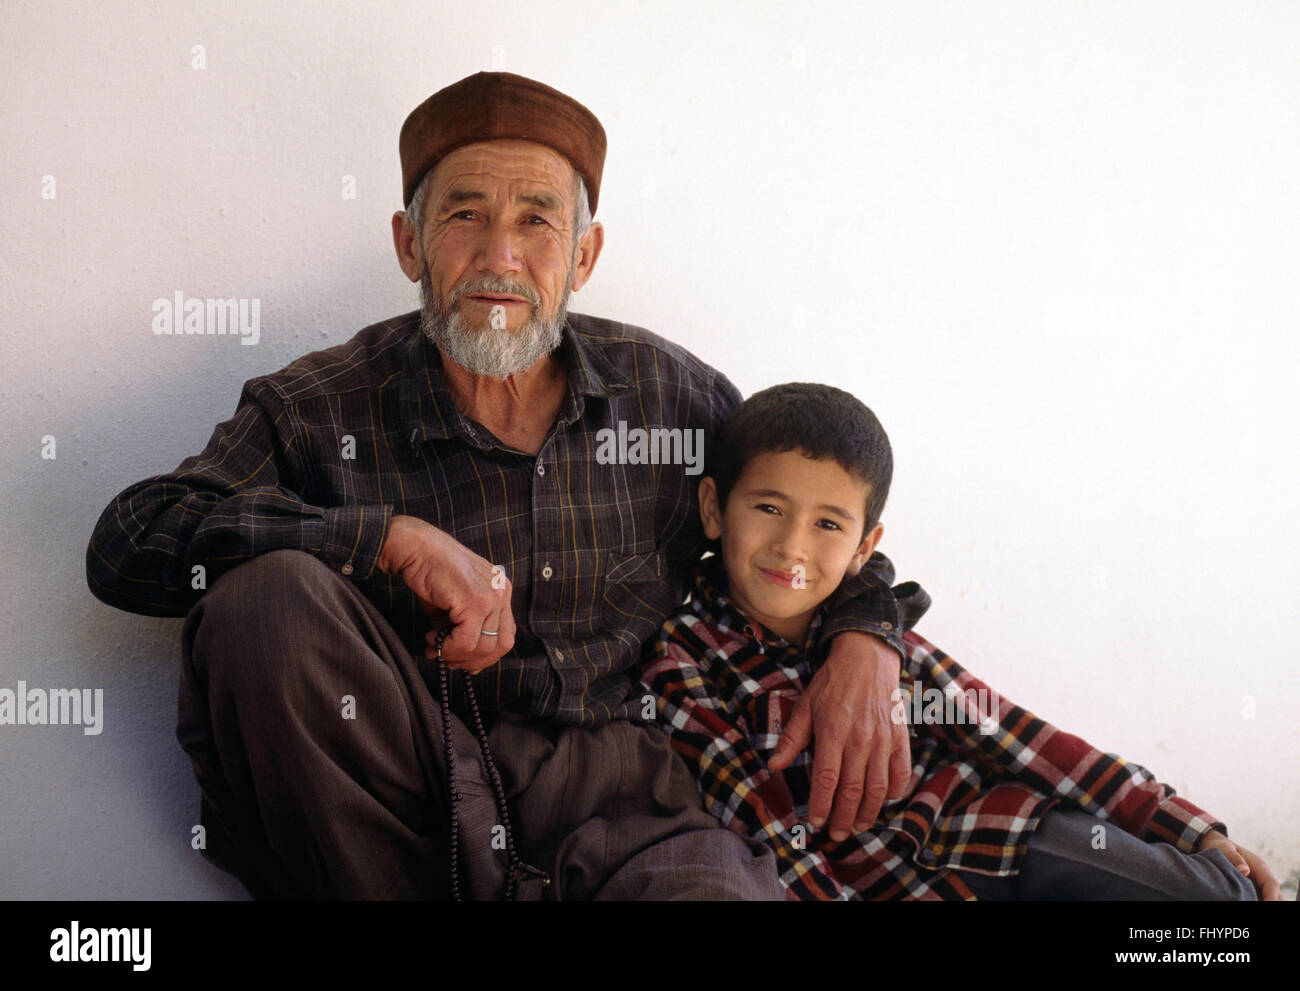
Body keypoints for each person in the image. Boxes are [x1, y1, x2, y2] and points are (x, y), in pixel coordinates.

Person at [84, 72, 917, 900]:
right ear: (410, 242)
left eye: (537, 221)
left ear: (584, 256)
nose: (500, 257)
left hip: (638, 806)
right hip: (414, 792)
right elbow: (131, 538)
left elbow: (802, 517)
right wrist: (383, 539)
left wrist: (866, 638)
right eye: (465, 215)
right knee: (262, 602)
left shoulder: (673, 396)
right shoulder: (318, 405)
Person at [640, 382, 1281, 900]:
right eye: (769, 509)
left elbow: (1016, 736)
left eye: (828, 523)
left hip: (997, 830)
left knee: (1220, 899)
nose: (792, 546)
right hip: (880, 881)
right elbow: (762, 827)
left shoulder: (871, 635)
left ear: (865, 547)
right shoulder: (685, 660)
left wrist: (1186, 828)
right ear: (714, 509)